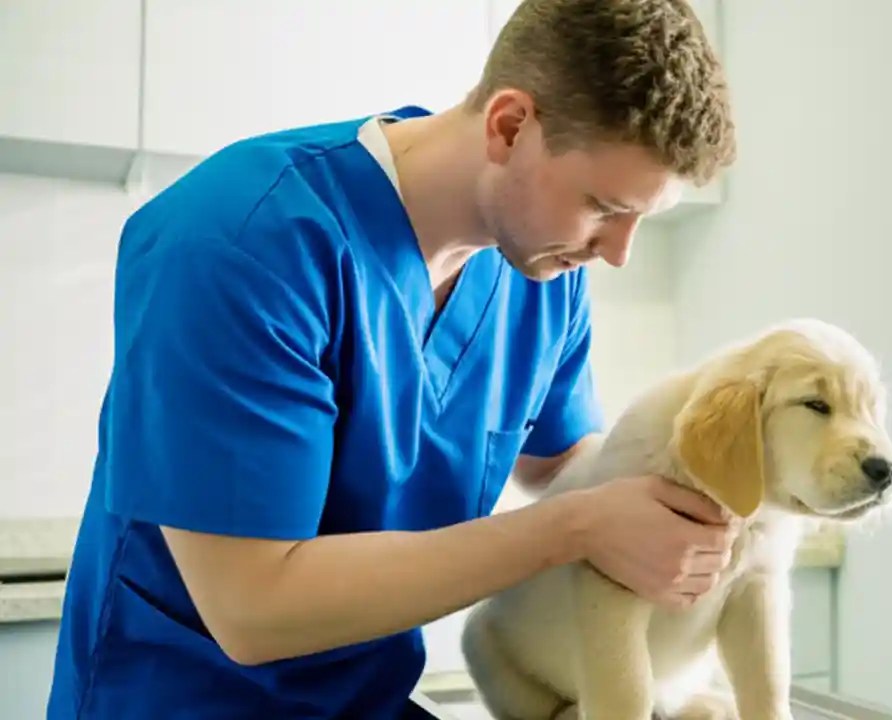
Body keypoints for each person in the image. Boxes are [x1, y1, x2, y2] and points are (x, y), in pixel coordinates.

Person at [45, 0, 737, 717]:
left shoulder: (541, 273)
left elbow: (564, 465)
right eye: (602, 206)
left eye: (638, 221)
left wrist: (688, 491)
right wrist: (579, 527)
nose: (617, 254)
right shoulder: (244, 242)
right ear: (509, 126)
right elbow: (254, 606)